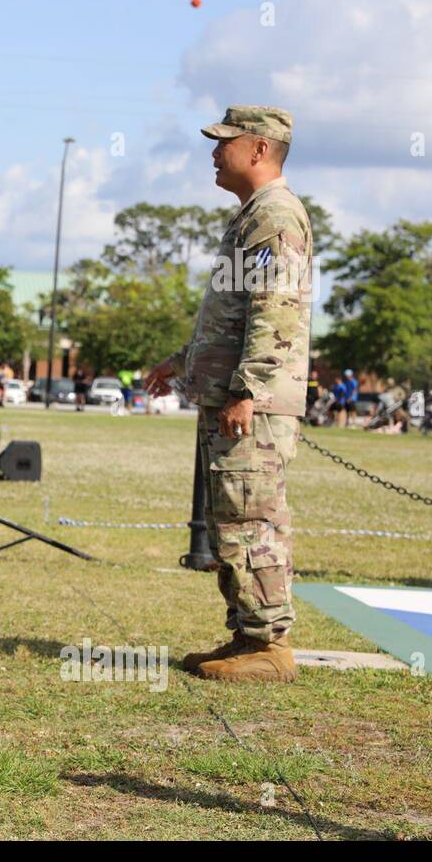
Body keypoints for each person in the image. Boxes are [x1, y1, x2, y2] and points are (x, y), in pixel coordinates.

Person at [145, 105, 312, 683]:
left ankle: (270, 646)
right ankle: (247, 635)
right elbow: (231, 318)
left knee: (251, 518)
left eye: (225, 142)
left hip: (254, 403)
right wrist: (183, 362)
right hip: (233, 396)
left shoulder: (276, 216)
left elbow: (275, 312)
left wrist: (246, 390)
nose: (214, 153)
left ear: (260, 149)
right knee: (230, 519)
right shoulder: (252, 216)